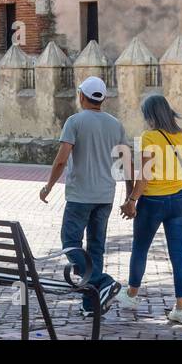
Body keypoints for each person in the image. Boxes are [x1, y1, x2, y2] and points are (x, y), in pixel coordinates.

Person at [39, 75, 129, 314]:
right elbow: (127, 164)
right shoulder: (116, 125)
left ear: (81, 96)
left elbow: (61, 159)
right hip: (105, 195)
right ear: (103, 99)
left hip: (80, 196)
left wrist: (48, 186)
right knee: (96, 248)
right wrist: (130, 198)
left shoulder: (74, 121)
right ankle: (91, 305)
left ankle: (102, 282)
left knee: (70, 245)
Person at [116, 94, 182, 324]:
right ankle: (181, 309)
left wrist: (131, 200)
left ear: (150, 115)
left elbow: (146, 174)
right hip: (181, 199)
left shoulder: (149, 137)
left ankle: (131, 295)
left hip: (153, 201)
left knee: (140, 248)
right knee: (178, 255)